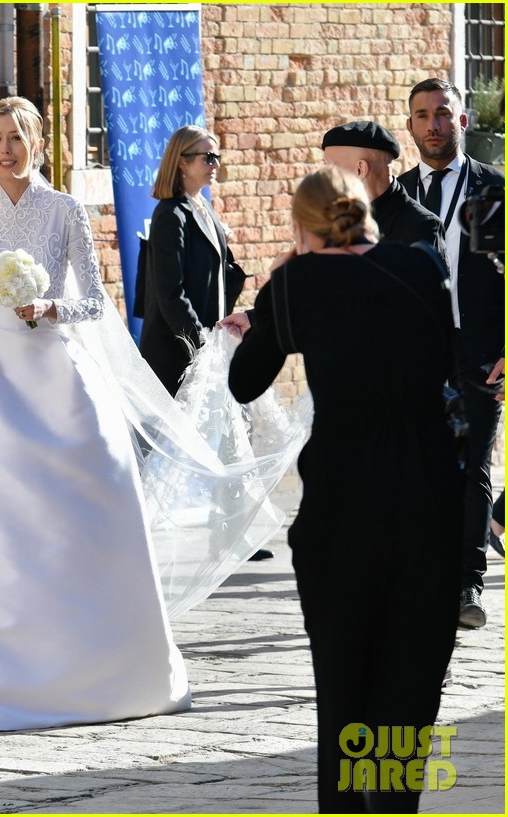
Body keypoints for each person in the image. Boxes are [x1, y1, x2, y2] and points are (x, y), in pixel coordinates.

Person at [0, 97, 190, 731]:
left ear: (36, 141)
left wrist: (53, 308)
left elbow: (95, 302)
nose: (5, 149)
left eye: (16, 137)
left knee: (74, 513)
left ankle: (93, 666)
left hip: (54, 371)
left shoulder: (64, 210)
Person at [228, 166, 462, 813]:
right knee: (409, 689)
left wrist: (274, 298)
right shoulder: (420, 268)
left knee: (343, 683)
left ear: (303, 226)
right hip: (428, 495)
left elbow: (244, 382)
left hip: (342, 503)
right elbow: (450, 358)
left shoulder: (296, 283)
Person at [399, 77, 505, 630]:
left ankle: (468, 583)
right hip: (417, 353)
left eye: (444, 113)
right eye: (423, 115)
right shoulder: (397, 197)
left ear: (462, 122)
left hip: (480, 350)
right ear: (411, 126)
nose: (435, 124)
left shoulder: (493, 190)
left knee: (473, 466)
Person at [139, 125, 246, 399]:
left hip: (207, 345)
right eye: (208, 157)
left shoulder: (203, 207)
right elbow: (170, 293)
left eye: (217, 157)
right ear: (182, 162)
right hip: (177, 353)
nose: (215, 164)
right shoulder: (170, 214)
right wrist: (201, 346)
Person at [321, 120, 446, 256]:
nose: (326, 175)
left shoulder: (422, 227)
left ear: (360, 169)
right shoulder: (335, 220)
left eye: (331, 166)